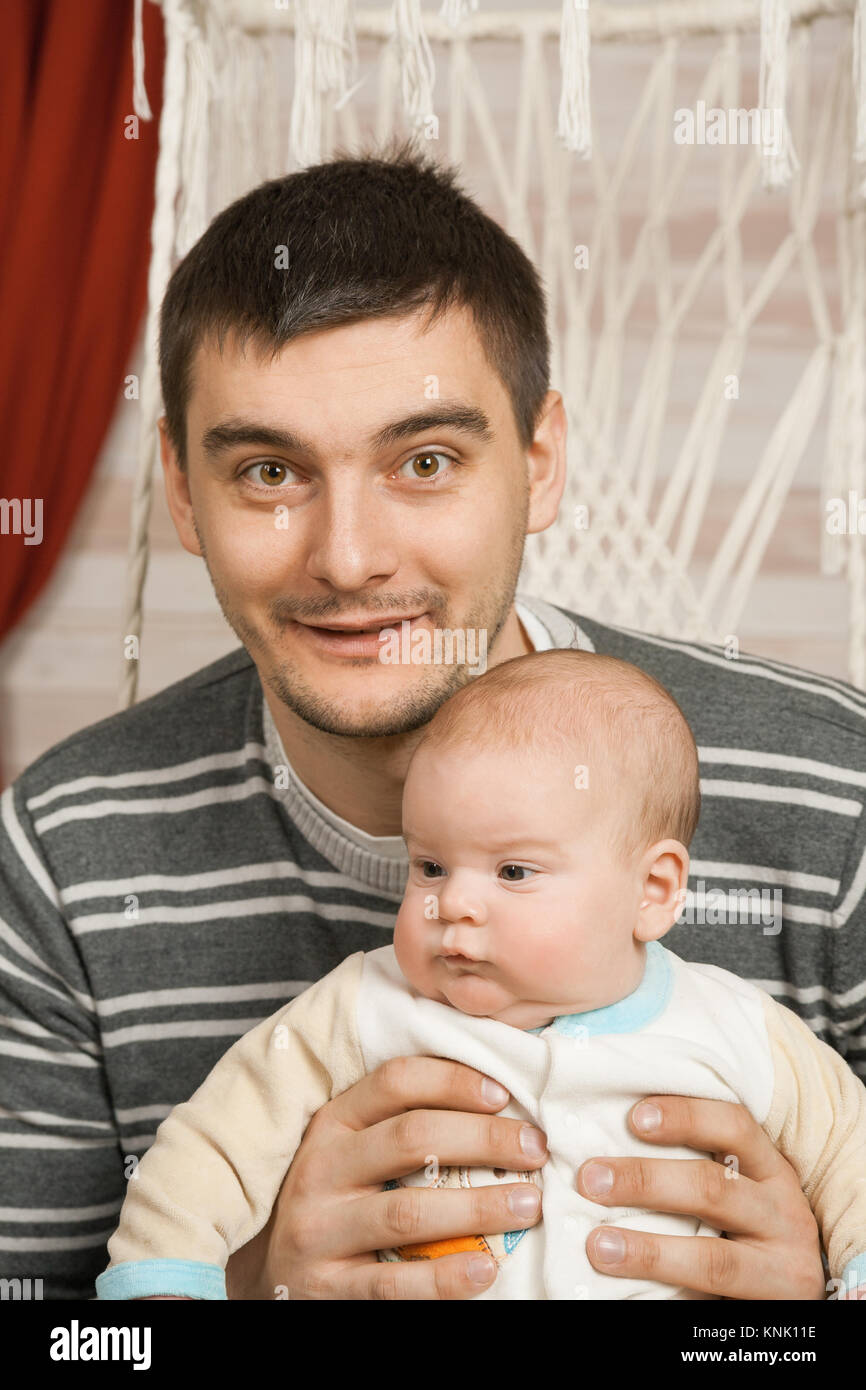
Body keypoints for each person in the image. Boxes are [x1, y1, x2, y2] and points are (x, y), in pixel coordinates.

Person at [1, 139, 861, 1302]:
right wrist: (252, 1292)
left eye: (425, 459)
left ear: (540, 461)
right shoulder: (63, 856)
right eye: (266, 472)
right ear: (181, 490)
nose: (348, 559)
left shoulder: (834, 795)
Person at [93, 651, 866, 1301]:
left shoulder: (733, 1027)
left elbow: (848, 1150)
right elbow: (217, 1143)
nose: (453, 903)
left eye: (514, 870)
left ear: (653, 891)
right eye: (429, 864)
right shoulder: (368, 1003)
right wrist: (168, 1279)